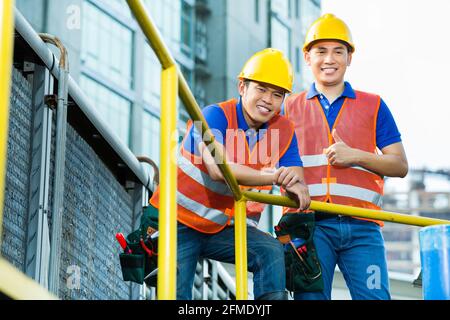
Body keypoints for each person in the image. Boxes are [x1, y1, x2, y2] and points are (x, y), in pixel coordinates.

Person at [150, 48, 310, 300]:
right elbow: (217, 169)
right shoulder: (214, 115)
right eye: (261, 89)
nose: (269, 99)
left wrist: (296, 186)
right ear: (242, 87)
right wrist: (275, 177)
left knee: (270, 250)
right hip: (179, 221)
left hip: (227, 228)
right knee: (175, 295)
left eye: (277, 94)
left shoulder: (284, 130)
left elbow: (297, 182)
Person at [283, 14, 408, 300]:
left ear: (349, 57)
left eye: (338, 51)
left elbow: (400, 165)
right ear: (307, 56)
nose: (329, 59)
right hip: (308, 225)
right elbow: (266, 164)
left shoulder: (374, 105)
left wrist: (355, 156)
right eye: (321, 51)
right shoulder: (288, 108)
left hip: (362, 226)